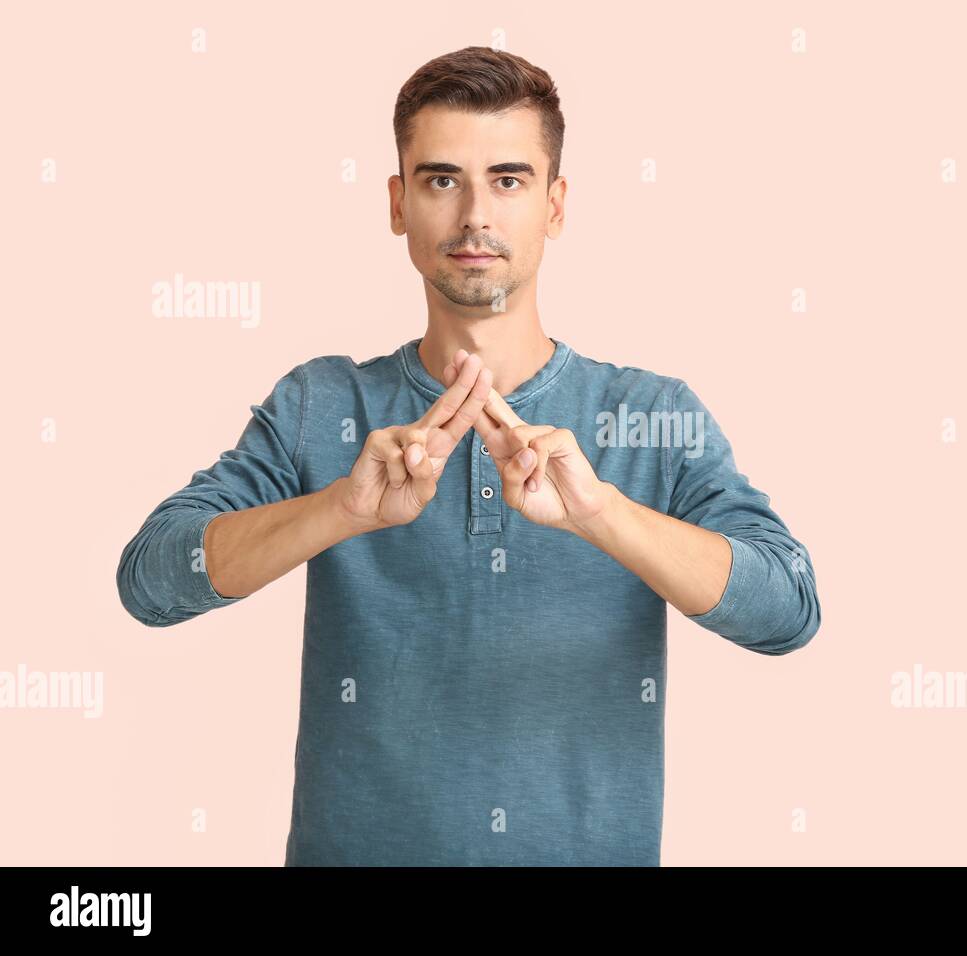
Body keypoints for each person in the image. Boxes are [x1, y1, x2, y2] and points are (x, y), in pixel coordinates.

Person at [116, 46, 821, 866]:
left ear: (556, 206)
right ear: (398, 202)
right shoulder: (321, 406)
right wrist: (339, 509)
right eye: (442, 179)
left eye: (510, 180)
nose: (474, 215)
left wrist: (604, 517)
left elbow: (788, 612)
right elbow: (150, 584)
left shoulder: (650, 415)